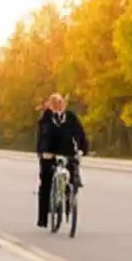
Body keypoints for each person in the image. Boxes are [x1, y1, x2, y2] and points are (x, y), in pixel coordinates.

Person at [36, 93, 89, 228]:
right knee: (45, 182)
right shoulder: (46, 118)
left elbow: (80, 134)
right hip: (50, 153)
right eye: (55, 103)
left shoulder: (70, 117)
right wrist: (41, 152)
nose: (58, 106)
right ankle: (43, 217)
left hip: (67, 152)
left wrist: (82, 150)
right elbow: (41, 136)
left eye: (60, 103)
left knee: (73, 176)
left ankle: (69, 200)